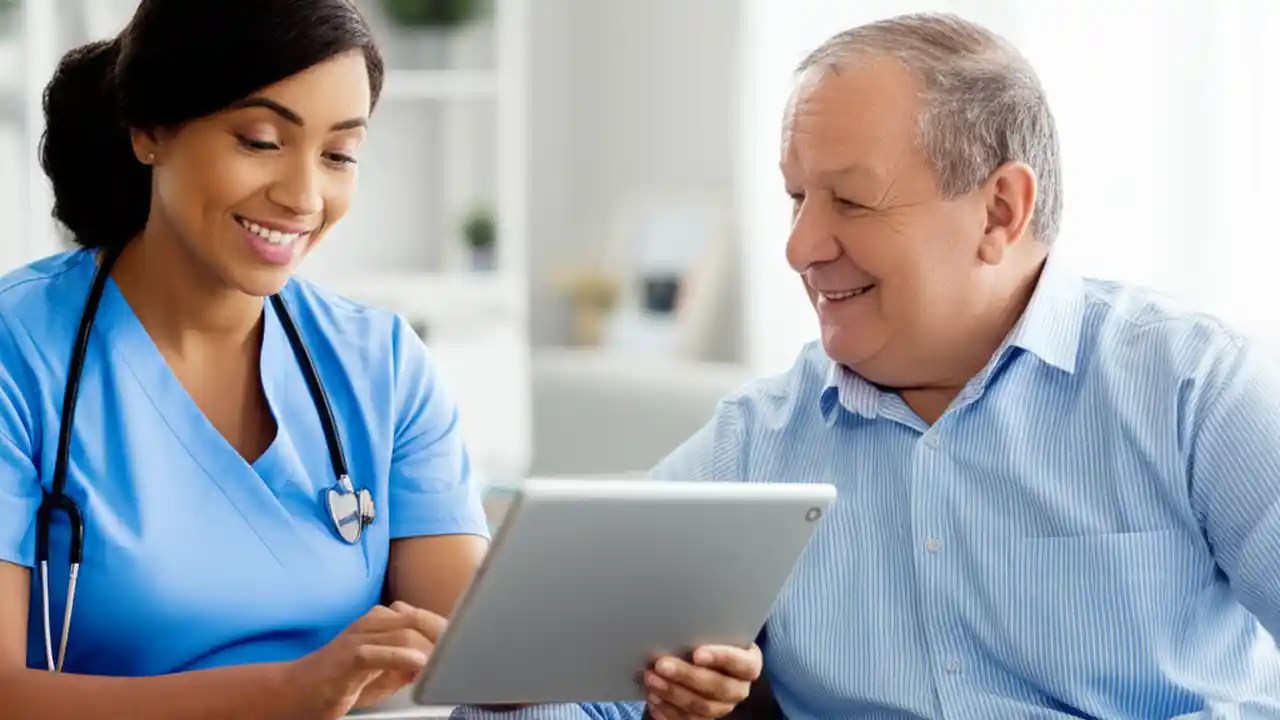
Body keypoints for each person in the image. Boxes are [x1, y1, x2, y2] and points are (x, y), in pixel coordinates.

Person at [457, 11, 1280, 720]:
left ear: (999, 211)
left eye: (850, 200)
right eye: (795, 198)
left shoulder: (1190, 388)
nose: (800, 247)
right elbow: (545, 682)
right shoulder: (758, 441)